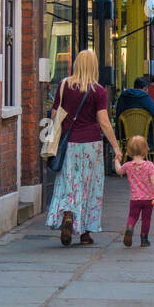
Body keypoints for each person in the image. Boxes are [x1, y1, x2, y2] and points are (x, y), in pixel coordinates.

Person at [46, 48, 124, 246]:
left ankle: (68, 214)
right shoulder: (99, 91)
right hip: (91, 145)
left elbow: (54, 114)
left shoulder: (64, 85)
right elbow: (104, 121)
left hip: (69, 143)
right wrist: (115, 147)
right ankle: (85, 233)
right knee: (90, 186)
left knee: (69, 183)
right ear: (94, 67)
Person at [116, 76, 154, 174]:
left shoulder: (123, 97)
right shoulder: (145, 98)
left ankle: (128, 162)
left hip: (125, 135)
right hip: (144, 136)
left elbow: (118, 115)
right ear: (145, 88)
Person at [116, 135, 154, 248]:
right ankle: (144, 239)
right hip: (149, 199)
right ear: (145, 150)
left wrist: (117, 161)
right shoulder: (149, 165)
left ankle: (129, 227)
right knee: (146, 219)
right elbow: (153, 179)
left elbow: (119, 171)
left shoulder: (128, 166)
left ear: (129, 152)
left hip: (135, 199)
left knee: (132, 216)